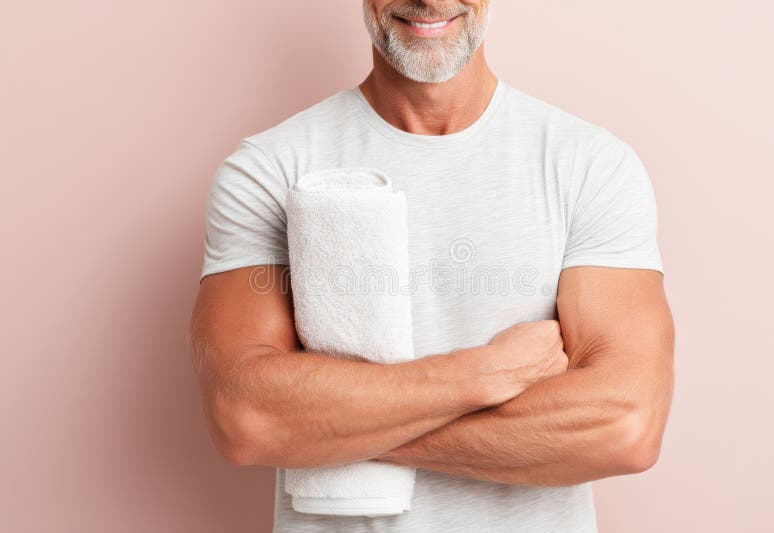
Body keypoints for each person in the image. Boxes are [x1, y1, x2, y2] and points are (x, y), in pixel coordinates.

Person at [189, 1, 675, 531]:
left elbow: (625, 427)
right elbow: (247, 419)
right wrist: (486, 374)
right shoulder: (270, 170)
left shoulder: (589, 166)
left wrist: (337, 429)